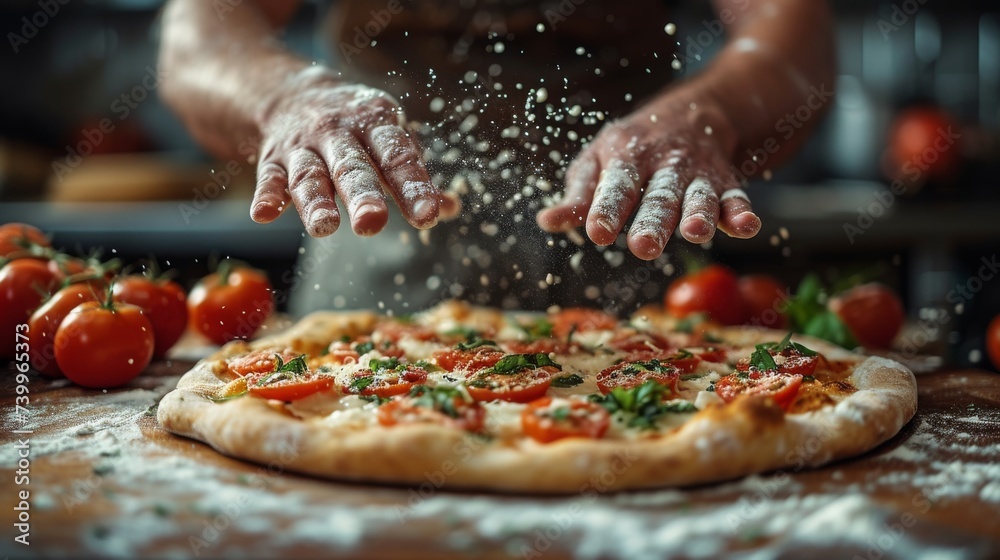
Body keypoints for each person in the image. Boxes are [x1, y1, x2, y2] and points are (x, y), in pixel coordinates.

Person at [159, 0, 835, 316]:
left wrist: (705, 111)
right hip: (373, 279)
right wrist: (284, 96)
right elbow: (196, 36)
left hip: (637, 272)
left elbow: (796, 35)